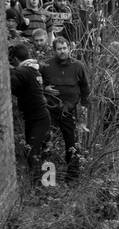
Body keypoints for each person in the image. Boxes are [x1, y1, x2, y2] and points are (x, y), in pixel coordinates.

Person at [39, 36, 90, 181]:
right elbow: (35, 86)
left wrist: (84, 109)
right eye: (59, 49)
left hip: (70, 111)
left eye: (64, 48)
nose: (62, 51)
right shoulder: (46, 66)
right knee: (47, 143)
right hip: (50, 110)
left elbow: (85, 89)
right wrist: (44, 89)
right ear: (54, 51)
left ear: (69, 48)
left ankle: (72, 177)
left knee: (72, 144)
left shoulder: (78, 66)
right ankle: (48, 179)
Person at [9, 50, 50, 181]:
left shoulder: (23, 72)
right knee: (38, 151)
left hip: (38, 119)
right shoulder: (32, 70)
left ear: (15, 59)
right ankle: (44, 184)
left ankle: (38, 185)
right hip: (37, 118)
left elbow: (10, 83)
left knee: (33, 153)